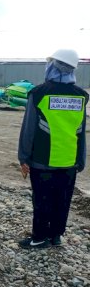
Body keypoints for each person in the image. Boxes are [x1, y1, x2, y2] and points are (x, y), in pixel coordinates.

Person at [17, 49, 87, 249]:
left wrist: (23, 157)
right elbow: (81, 132)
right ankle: (56, 236)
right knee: (62, 201)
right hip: (69, 161)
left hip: (42, 160)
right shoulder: (81, 96)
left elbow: (29, 128)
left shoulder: (39, 93)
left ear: (52, 66)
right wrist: (81, 160)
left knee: (42, 201)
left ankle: (39, 238)